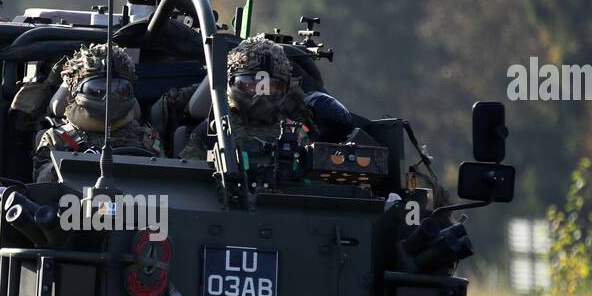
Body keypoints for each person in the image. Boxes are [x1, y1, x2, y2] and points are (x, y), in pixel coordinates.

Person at [167, 36, 354, 160]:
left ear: (285, 89)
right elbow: (187, 176)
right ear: (231, 84)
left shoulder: (294, 132)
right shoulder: (214, 131)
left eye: (270, 87)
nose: (260, 96)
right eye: (250, 85)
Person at [32, 43, 162, 182]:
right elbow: (41, 180)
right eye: (98, 90)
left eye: (120, 90)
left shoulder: (147, 137)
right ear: (76, 92)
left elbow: (167, 178)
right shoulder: (58, 138)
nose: (109, 97)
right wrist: (74, 164)